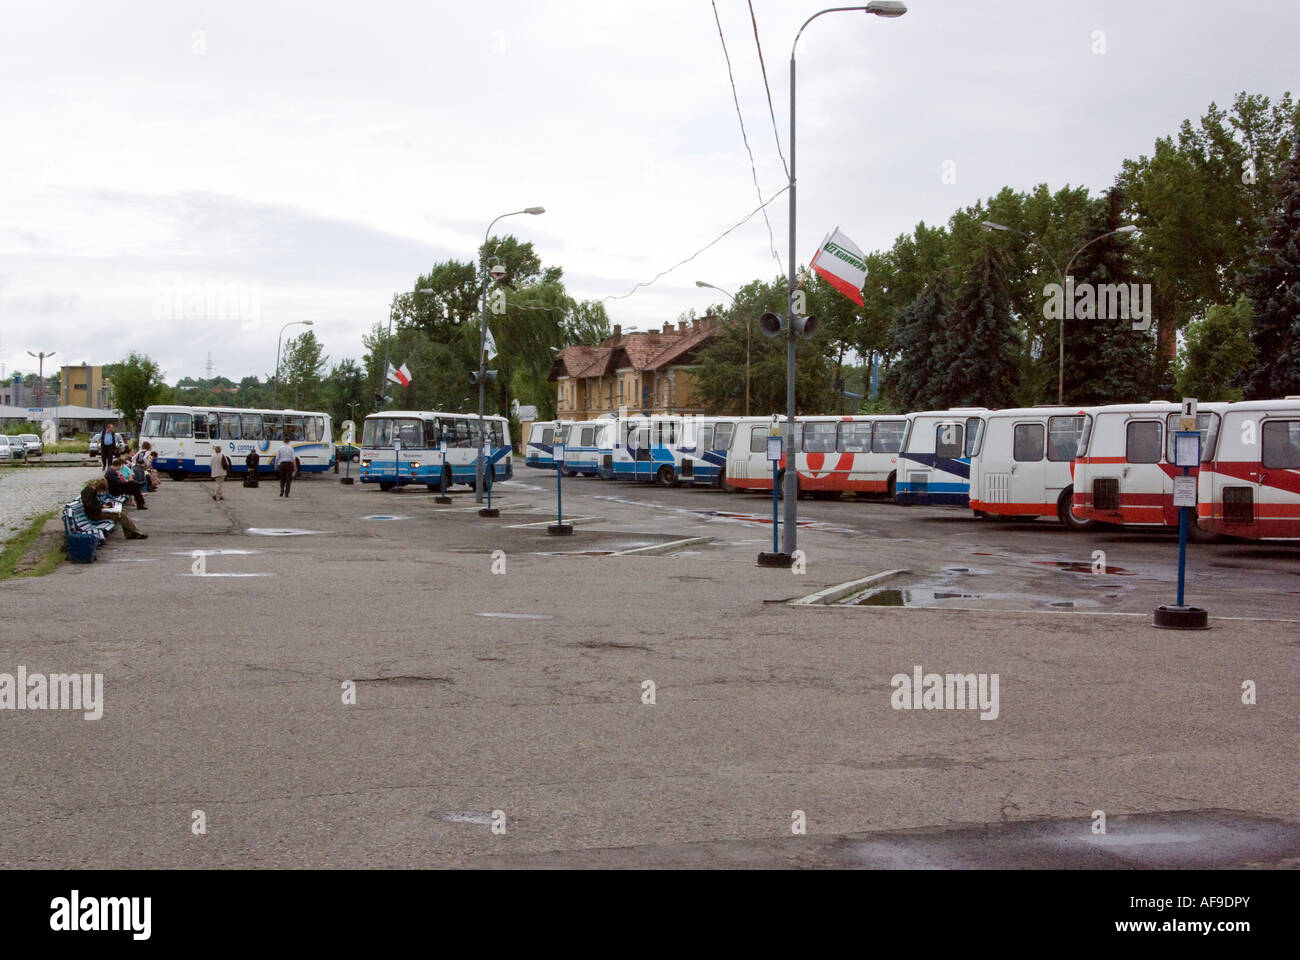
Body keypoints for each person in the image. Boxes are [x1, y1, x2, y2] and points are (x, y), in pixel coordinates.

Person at [81, 477, 146, 539]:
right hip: (95, 515)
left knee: (123, 511)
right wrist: (102, 506)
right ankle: (134, 532)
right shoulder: (89, 492)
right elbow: (90, 506)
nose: (100, 492)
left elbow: (94, 504)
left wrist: (104, 505)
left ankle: (129, 534)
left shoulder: (91, 490)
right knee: (121, 515)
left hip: (97, 512)